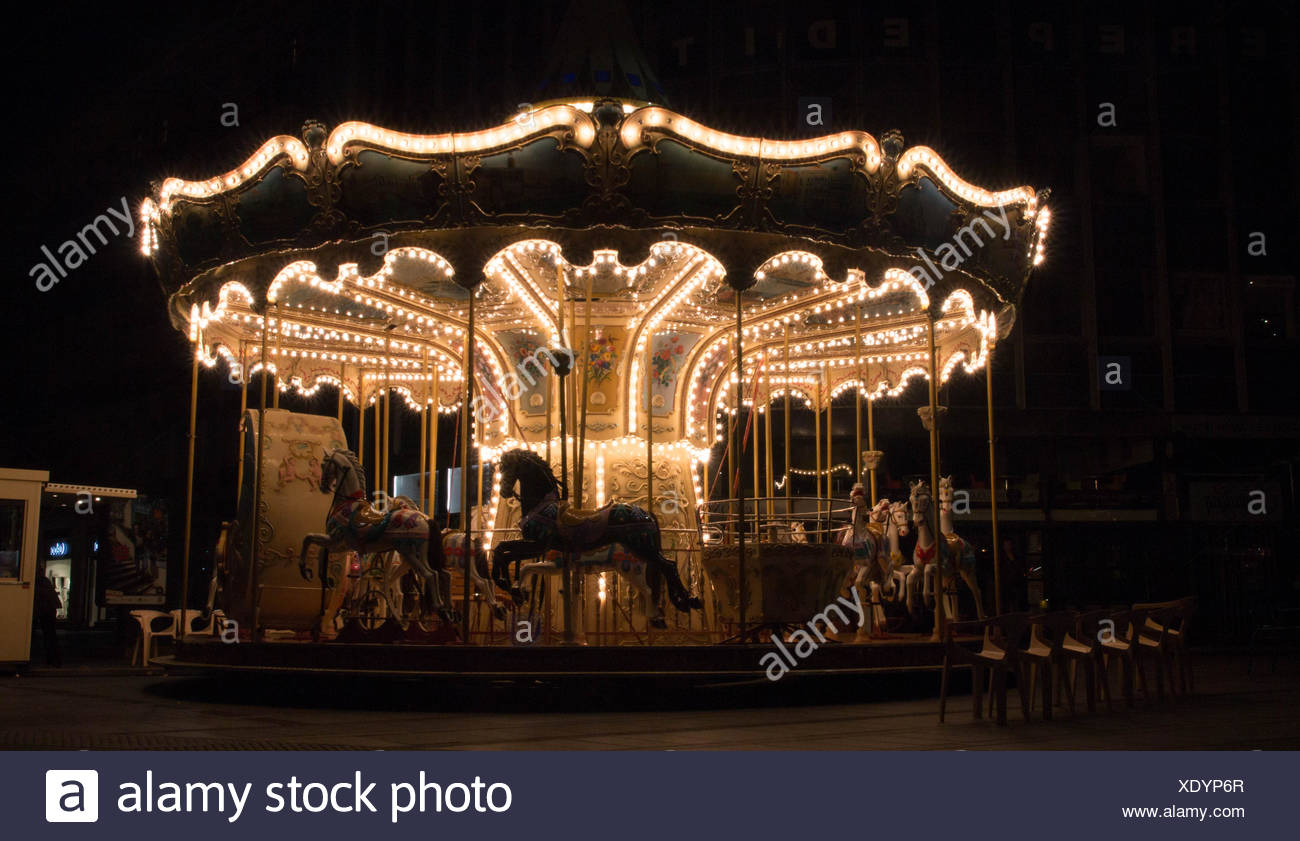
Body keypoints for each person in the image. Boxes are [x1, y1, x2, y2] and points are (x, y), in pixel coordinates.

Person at [34, 569, 62, 667]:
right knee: (50, 636)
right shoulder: (45, 581)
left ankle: (53, 660)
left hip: (45, 611)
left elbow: (39, 599)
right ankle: (54, 660)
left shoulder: (38, 582)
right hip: (49, 610)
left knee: (49, 636)